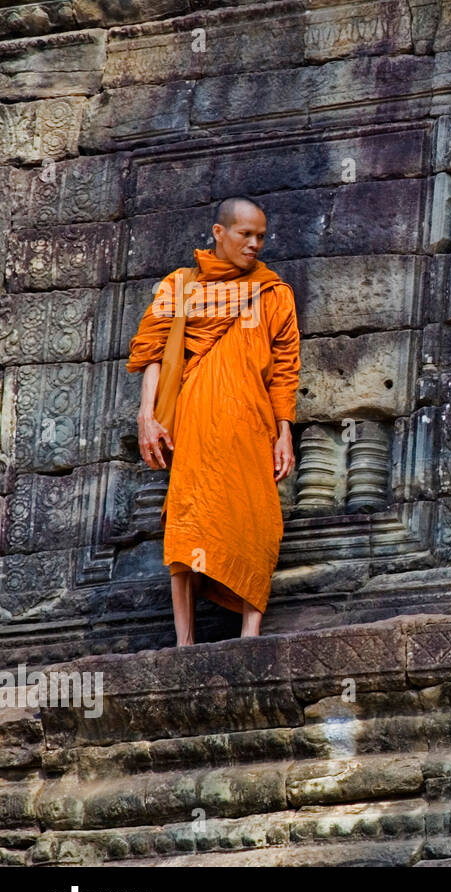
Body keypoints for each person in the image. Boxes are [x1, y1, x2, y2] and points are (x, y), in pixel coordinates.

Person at [127, 196, 300, 643]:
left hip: (251, 421)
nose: (255, 244)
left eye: (261, 236)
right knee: (190, 522)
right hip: (196, 420)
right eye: (246, 234)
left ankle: (250, 632)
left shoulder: (273, 292)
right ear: (220, 233)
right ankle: (184, 641)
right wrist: (147, 417)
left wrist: (285, 434)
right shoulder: (179, 287)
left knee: (255, 519)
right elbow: (152, 356)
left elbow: (284, 369)